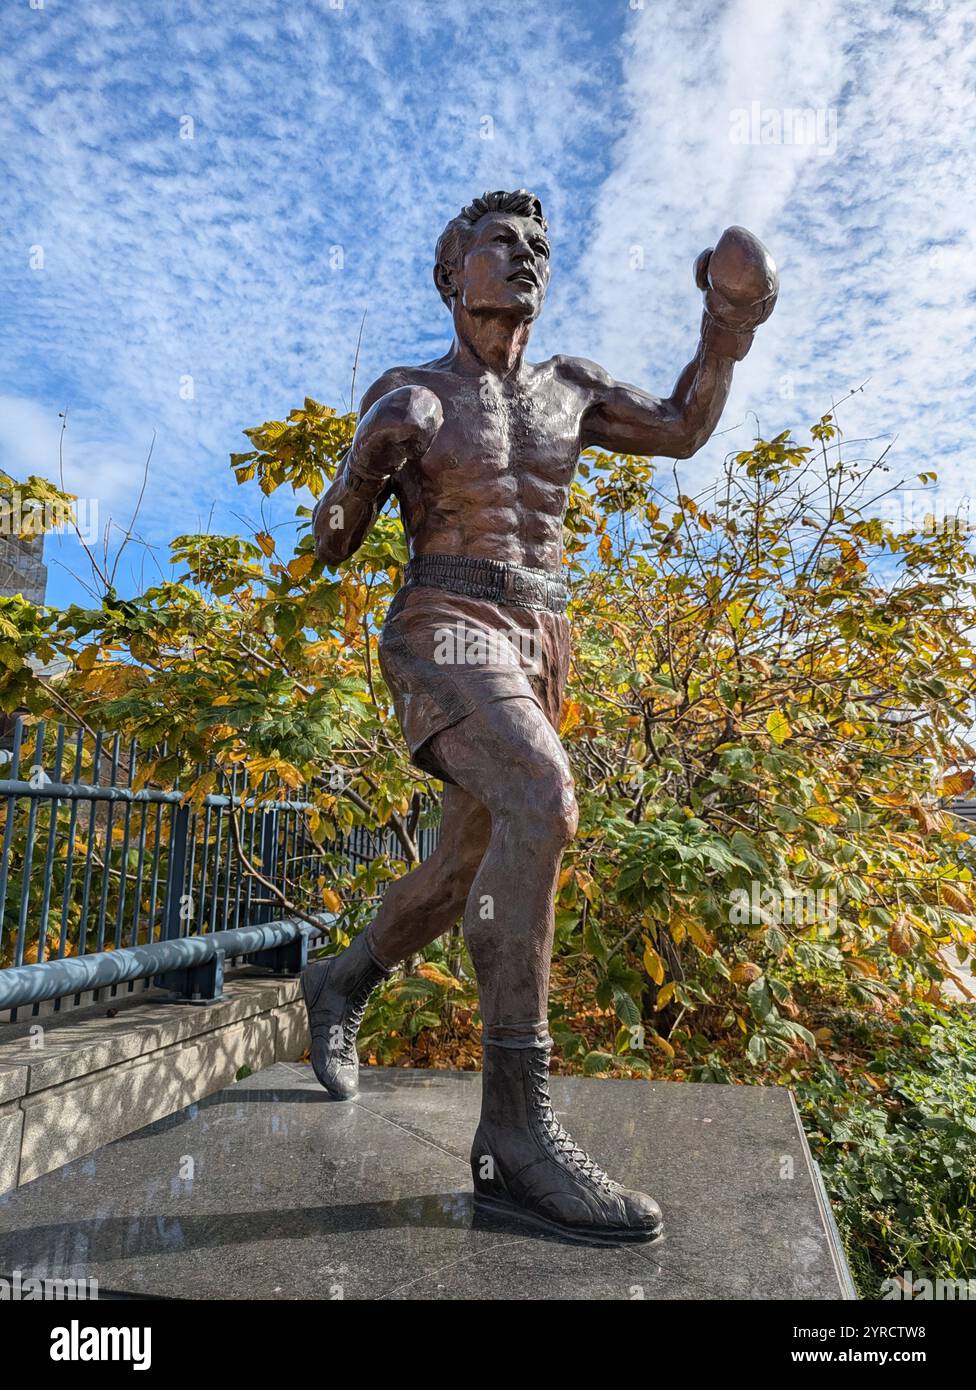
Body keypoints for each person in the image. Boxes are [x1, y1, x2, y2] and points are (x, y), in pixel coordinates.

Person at [304, 189, 778, 1242]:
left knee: (458, 879)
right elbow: (333, 540)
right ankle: (515, 1135)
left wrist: (725, 324)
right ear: (451, 274)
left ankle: (340, 980)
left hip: (539, 637)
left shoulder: (570, 387)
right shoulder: (412, 391)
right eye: (499, 245)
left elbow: (685, 428)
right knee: (545, 798)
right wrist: (366, 458)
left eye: (538, 249)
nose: (523, 260)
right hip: (443, 618)